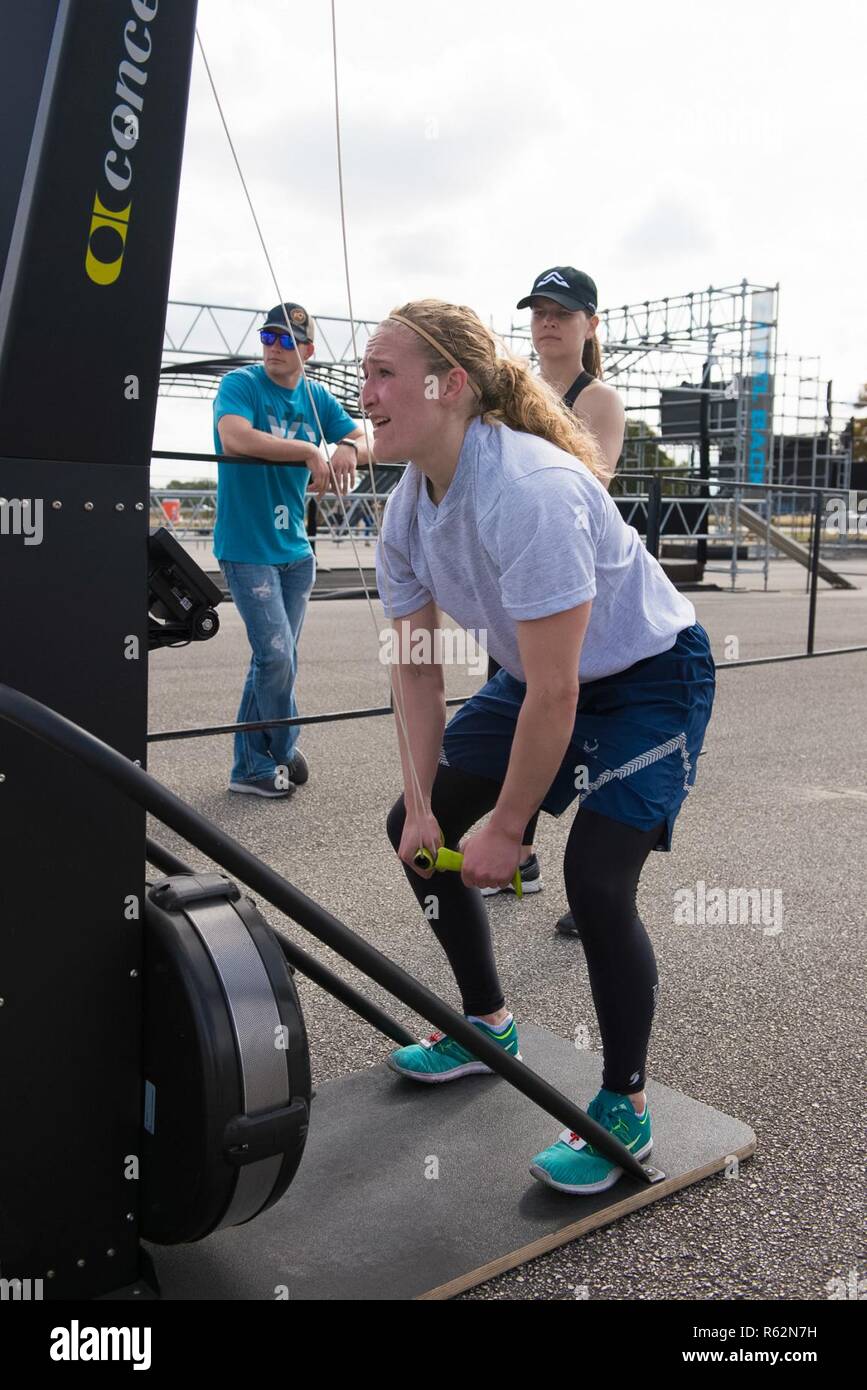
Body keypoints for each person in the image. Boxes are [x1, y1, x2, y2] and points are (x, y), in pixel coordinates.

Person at [366, 299, 715, 1194]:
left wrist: (509, 826)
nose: (363, 394)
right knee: (417, 824)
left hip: (644, 681)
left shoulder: (528, 489)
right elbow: (415, 670)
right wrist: (422, 801)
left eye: (380, 373)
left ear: (448, 386)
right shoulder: (406, 510)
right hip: (540, 679)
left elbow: (561, 691)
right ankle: (486, 1024)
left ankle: (623, 1105)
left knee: (596, 880)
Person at [484, 268, 626, 937]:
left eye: (562, 313)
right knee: (515, 711)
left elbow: (589, 482)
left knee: (582, 718)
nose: (547, 322)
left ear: (589, 325)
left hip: (572, 578)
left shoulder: (597, 400)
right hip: (514, 570)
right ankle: (519, 851)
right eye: (538, 310)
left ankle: (594, 886)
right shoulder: (508, 385)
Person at [214, 301, 369, 797]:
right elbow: (234, 438)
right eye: (267, 337)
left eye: (286, 340)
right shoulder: (241, 385)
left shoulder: (316, 396)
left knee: (275, 658)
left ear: (307, 350)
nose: (274, 348)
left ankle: (251, 766)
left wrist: (345, 446)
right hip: (247, 546)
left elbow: (368, 437)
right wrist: (308, 450)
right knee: (276, 656)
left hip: (295, 553)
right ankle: (282, 746)